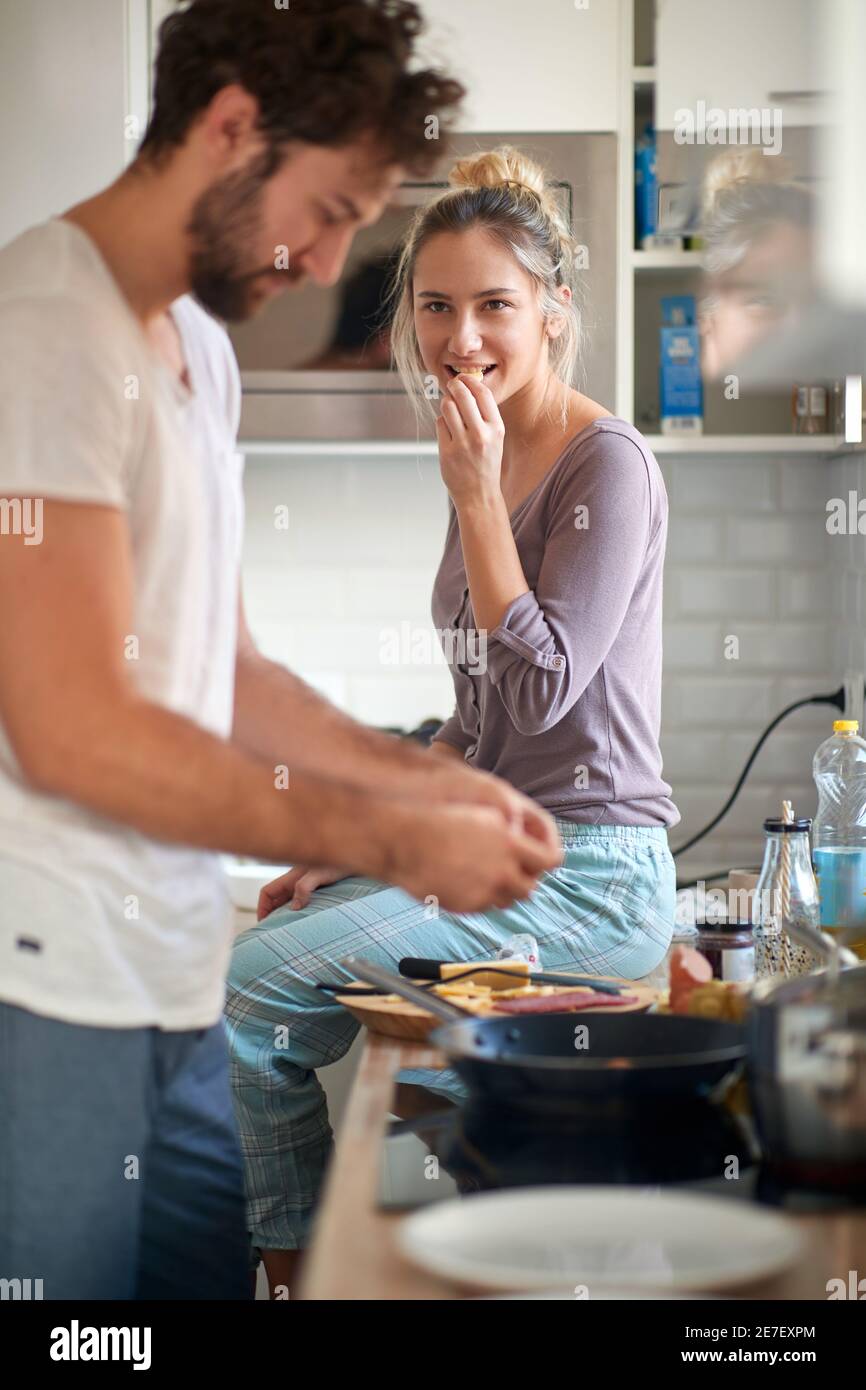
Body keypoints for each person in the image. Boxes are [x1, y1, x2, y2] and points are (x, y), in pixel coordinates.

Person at [0, 4, 560, 1302]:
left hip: (179, 979)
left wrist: (418, 777)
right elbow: (71, 728)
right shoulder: (43, 331)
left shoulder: (198, 347)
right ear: (231, 127)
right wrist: (391, 841)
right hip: (49, 993)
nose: (327, 263)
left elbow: (229, 665)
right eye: (329, 206)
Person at [226, 146, 679, 1296]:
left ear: (551, 313)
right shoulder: (483, 451)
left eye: (492, 306)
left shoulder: (602, 465)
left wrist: (477, 499)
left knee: (254, 987)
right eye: (436, 307)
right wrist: (359, 839)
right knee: (319, 1011)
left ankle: (288, 1276)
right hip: (499, 855)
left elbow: (538, 692)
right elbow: (477, 732)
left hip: (592, 879)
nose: (460, 337)